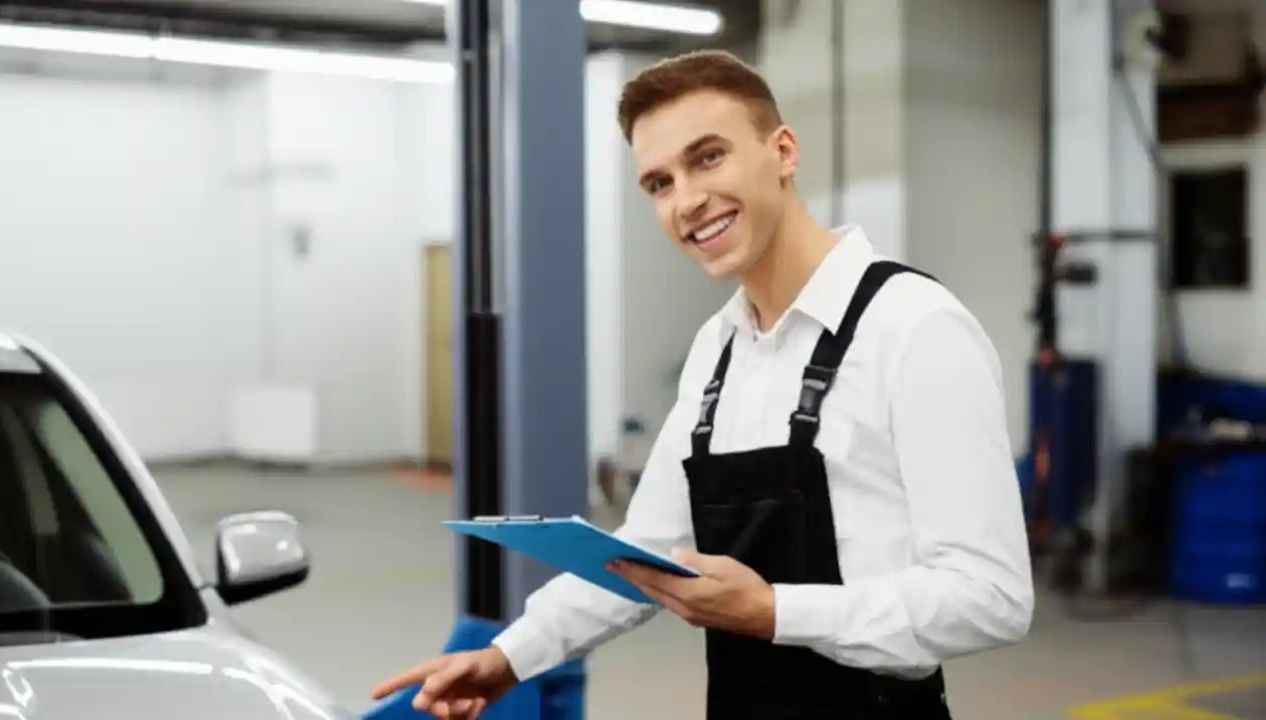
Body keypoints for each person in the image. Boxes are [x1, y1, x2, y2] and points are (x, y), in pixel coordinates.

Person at [372, 49, 1034, 720]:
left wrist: (774, 611)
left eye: (708, 157)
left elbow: (992, 596)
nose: (686, 201)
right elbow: (649, 550)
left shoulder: (915, 329)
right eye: (659, 183)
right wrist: (512, 656)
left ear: (782, 151)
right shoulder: (718, 351)